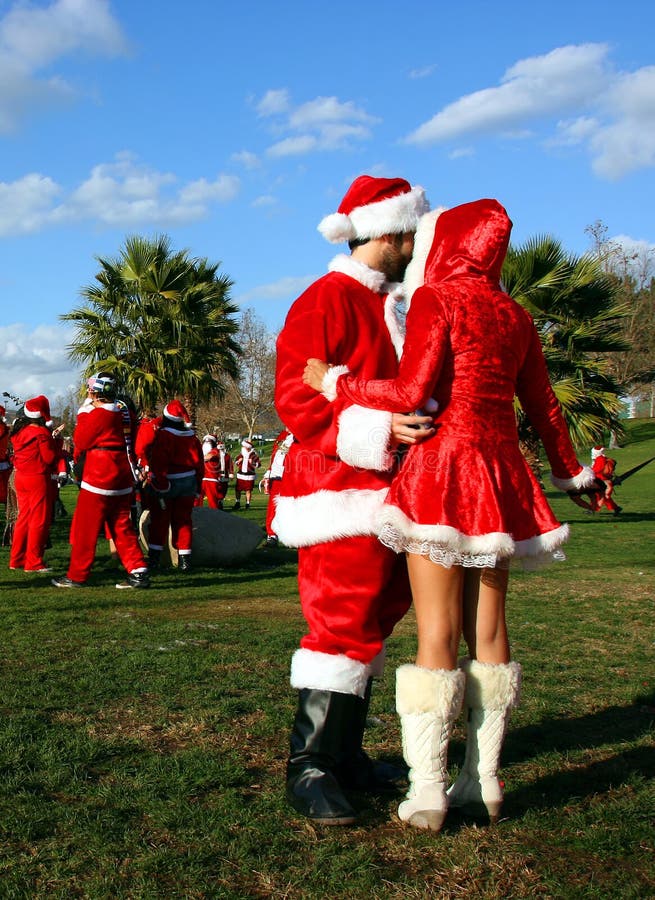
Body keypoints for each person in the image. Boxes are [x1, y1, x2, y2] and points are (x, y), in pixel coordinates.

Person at [302, 199, 596, 831]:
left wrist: (335, 384)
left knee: (436, 631)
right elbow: (544, 406)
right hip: (500, 478)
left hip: (441, 474)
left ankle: (428, 790)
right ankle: (483, 781)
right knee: (490, 633)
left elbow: (410, 392)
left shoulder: (437, 299)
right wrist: (574, 474)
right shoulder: (516, 315)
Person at [274, 174, 433, 825]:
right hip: (337, 491)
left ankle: (343, 755)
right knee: (340, 622)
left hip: (392, 490)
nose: (418, 244)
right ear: (389, 232)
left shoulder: (399, 303)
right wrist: (380, 430)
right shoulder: (326, 299)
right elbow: (297, 396)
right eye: (413, 234)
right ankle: (308, 765)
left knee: (374, 620)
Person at [51, 374, 150, 589]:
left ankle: (77, 575)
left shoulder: (99, 414)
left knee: (85, 528)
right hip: (121, 471)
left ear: (94, 392)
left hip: (100, 472)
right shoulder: (124, 411)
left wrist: (84, 412)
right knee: (121, 525)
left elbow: (81, 440)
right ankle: (138, 570)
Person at [146, 400, 204, 572]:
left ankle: (154, 559)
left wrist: (159, 483)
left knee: (159, 521)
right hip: (189, 482)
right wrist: (197, 485)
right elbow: (200, 465)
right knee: (184, 521)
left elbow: (159, 461)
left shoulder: (164, 436)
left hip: (168, 483)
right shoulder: (192, 438)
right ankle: (185, 560)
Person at [8, 395, 57, 572]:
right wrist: (55, 441)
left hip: (20, 476)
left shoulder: (19, 432)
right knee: (39, 519)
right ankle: (34, 562)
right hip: (37, 478)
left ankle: (16, 559)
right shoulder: (41, 433)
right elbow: (49, 458)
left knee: (23, 518)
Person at [262, 428, 294, 546]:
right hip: (276, 477)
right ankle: (272, 535)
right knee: (273, 507)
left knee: (291, 506)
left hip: (292, 477)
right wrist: (269, 472)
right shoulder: (283, 436)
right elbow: (275, 456)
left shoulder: (301, 436)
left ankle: (291, 535)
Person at [197, 434, 233, 509]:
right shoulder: (202, 451)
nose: (206, 443)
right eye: (205, 441)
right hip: (202, 478)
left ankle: (215, 513)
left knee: (212, 501)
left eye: (208, 441)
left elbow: (208, 457)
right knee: (197, 499)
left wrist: (198, 458)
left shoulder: (215, 451)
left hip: (211, 479)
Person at [590, 446, 621, 515]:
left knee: (598, 496)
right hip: (601, 479)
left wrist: (589, 472)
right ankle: (616, 508)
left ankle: (592, 509)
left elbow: (597, 469)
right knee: (602, 496)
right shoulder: (601, 458)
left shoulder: (600, 459)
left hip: (600, 479)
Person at [232, 439, 261, 509]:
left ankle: (247, 504)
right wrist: (238, 461)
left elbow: (259, 464)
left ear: (248, 448)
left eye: (245, 447)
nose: (244, 448)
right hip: (241, 474)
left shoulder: (254, 455)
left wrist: (253, 463)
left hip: (249, 475)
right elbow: (236, 462)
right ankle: (237, 502)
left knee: (248, 490)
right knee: (238, 489)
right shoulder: (241, 455)